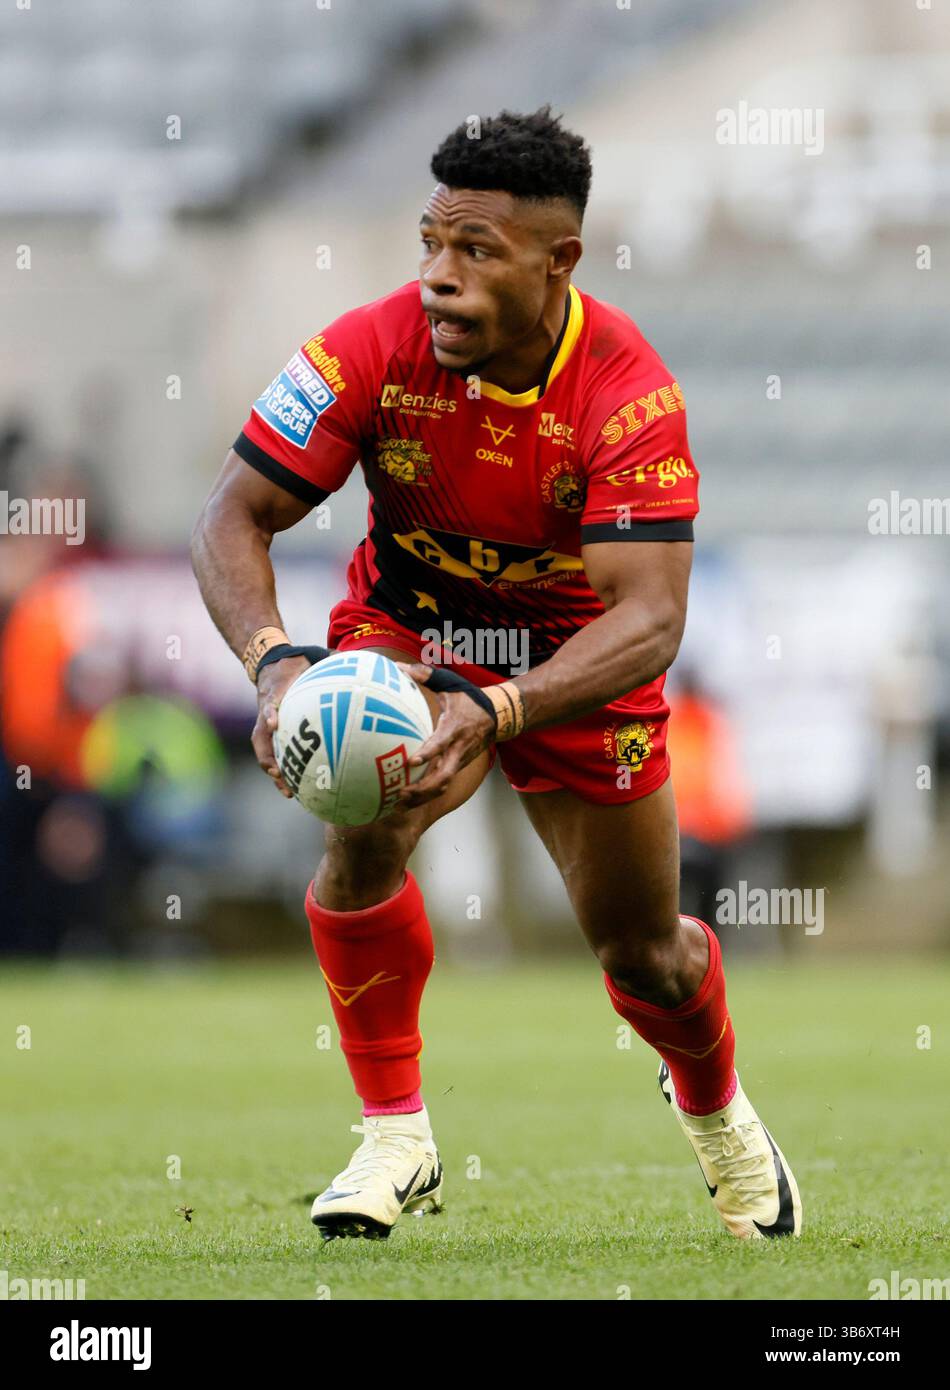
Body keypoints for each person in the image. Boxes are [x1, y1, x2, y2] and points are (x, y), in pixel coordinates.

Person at [191, 108, 800, 1243]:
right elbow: (231, 515)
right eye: (429, 243)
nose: (437, 277)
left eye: (475, 252)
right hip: (408, 631)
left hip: (573, 662)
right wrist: (274, 666)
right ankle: (394, 1137)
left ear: (556, 261)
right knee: (359, 819)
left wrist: (503, 705)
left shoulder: (627, 393)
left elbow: (652, 619)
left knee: (643, 953)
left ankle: (716, 1112)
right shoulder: (366, 348)